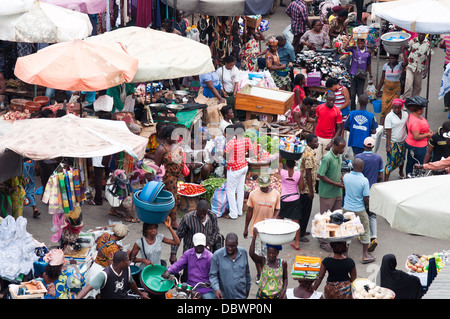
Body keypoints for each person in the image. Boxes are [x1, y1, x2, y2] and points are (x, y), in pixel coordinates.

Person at [244, 174, 281, 282]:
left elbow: (278, 209)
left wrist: (274, 217)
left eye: (265, 186)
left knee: (268, 253)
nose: (264, 188)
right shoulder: (253, 194)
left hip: (269, 230)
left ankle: (267, 272)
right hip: (255, 230)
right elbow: (249, 212)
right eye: (262, 186)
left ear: (269, 183)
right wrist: (246, 228)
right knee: (256, 254)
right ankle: (260, 273)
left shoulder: (276, 194)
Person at [76, 251, 150, 299]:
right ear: (121, 263)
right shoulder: (105, 274)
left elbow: (132, 284)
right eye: (127, 261)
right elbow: (88, 287)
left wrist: (141, 294)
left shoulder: (127, 270)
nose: (129, 262)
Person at [342, 158, 375, 264]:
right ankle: (365, 255)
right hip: (360, 209)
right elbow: (366, 197)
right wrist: (370, 208)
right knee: (365, 230)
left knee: (347, 230)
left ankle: (345, 254)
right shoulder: (364, 180)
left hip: (347, 208)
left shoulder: (346, 177)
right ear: (361, 167)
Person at [164, 233, 214, 299]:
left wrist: (211, 283)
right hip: (189, 287)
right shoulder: (188, 254)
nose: (199, 247)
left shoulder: (210, 257)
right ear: (193, 244)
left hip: (204, 288)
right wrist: (168, 270)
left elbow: (214, 273)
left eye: (201, 245)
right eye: (197, 245)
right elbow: (178, 264)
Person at [170, 200, 222, 264]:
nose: (202, 215)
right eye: (200, 213)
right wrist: (173, 253)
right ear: (196, 209)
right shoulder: (188, 218)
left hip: (207, 256)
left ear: (207, 210)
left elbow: (216, 232)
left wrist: (209, 245)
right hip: (190, 255)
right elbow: (178, 236)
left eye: (204, 213)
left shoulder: (212, 216)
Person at [354, 137, 383, 252]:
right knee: (372, 215)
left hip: (360, 190)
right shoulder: (378, 158)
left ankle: (362, 235)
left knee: (361, 214)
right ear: (373, 146)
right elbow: (380, 176)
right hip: (372, 190)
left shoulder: (358, 157)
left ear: (363, 145)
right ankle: (374, 237)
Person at [317, 136, 345, 252]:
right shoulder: (327, 158)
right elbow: (320, 175)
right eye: (341, 147)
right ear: (334, 146)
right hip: (327, 193)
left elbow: (338, 170)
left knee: (336, 216)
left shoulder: (340, 155)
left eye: (343, 147)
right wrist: (335, 183)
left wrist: (342, 178)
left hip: (337, 192)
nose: (343, 150)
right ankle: (323, 241)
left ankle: (332, 237)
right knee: (325, 217)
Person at [154, 125, 185, 228]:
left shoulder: (176, 145)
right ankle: (173, 221)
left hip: (176, 177)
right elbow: (156, 166)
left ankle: (166, 217)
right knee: (172, 198)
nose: (177, 136)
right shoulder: (162, 149)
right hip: (167, 178)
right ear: (167, 137)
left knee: (172, 198)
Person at [224, 122, 255, 219]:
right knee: (240, 189)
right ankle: (239, 210)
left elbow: (225, 155)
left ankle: (233, 214)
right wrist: (242, 156)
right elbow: (251, 154)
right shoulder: (247, 140)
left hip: (234, 168)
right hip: (244, 167)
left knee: (231, 191)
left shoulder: (232, 142)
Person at [209, 232, 252, 299]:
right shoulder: (217, 255)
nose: (230, 248)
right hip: (224, 296)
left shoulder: (243, 253)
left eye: (233, 246)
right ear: (225, 243)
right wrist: (217, 289)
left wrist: (247, 289)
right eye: (228, 245)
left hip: (241, 295)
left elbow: (247, 274)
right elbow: (213, 275)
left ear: (237, 244)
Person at [250, 228, 288, 299]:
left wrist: (283, 291)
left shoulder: (283, 263)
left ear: (277, 253)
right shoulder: (263, 261)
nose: (270, 255)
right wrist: (254, 237)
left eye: (273, 253)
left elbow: (285, 279)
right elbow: (252, 254)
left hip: (277, 296)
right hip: (263, 295)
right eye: (269, 252)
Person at [376, 52, 408, 126]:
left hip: (395, 89)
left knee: (394, 107)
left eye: (393, 58)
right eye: (390, 58)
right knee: (384, 107)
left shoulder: (400, 65)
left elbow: (406, 63)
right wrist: (378, 90)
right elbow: (382, 78)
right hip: (386, 89)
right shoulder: (385, 66)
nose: (392, 60)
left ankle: (391, 125)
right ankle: (381, 126)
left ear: (397, 59)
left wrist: (403, 51)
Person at [278, 159, 304, 250]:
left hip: (284, 199)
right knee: (296, 222)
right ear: (295, 164)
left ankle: (277, 238)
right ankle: (297, 243)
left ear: (286, 164)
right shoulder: (299, 174)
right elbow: (301, 188)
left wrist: (281, 155)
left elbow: (279, 163)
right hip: (295, 199)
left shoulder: (282, 172)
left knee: (279, 218)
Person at [404, 96, 433, 176]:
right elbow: (416, 136)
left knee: (410, 162)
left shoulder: (411, 116)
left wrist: (427, 130)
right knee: (420, 163)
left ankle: (408, 175)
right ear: (419, 111)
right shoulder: (416, 122)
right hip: (418, 147)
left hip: (411, 144)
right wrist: (427, 134)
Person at [343, 35, 373, 111]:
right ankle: (352, 111)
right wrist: (350, 37)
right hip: (353, 74)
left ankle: (362, 110)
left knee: (360, 94)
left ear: (364, 43)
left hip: (362, 75)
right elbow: (344, 47)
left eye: (361, 43)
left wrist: (371, 75)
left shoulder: (368, 52)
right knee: (352, 94)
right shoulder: (354, 49)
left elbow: (368, 64)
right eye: (358, 43)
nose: (360, 45)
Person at [299, 133, 319, 243]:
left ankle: (302, 230)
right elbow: (308, 174)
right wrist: (311, 191)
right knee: (305, 211)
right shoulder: (309, 155)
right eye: (315, 142)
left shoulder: (309, 151)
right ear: (310, 143)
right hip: (307, 188)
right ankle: (301, 235)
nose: (317, 143)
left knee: (305, 211)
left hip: (307, 187)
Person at [314, 92, 344, 165]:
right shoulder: (319, 107)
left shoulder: (337, 111)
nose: (331, 102)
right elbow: (316, 122)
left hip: (328, 139)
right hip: (318, 137)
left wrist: (332, 142)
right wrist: (313, 135)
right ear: (326, 99)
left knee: (325, 161)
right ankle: (316, 176)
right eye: (330, 100)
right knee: (316, 160)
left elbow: (339, 128)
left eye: (333, 100)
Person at [384, 98, 408, 181]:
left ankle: (401, 171)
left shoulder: (405, 114)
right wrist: (388, 146)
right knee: (391, 161)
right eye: (394, 108)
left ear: (401, 107)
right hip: (393, 142)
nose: (396, 109)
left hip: (403, 142)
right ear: (392, 107)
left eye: (398, 108)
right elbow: (388, 132)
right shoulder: (389, 117)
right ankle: (386, 180)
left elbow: (407, 127)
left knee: (402, 159)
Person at [404, 33, 434, 99]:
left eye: (423, 35)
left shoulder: (427, 44)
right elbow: (407, 52)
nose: (421, 36)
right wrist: (406, 62)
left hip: (420, 68)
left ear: (425, 35)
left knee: (417, 87)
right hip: (411, 66)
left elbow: (428, 57)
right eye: (420, 34)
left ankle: (414, 103)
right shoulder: (412, 41)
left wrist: (426, 70)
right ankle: (405, 103)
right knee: (408, 85)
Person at [439, 34, 450, 111]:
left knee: (447, 83)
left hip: (447, 63)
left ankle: (446, 105)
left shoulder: (446, 38)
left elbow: (441, 45)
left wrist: (446, 48)